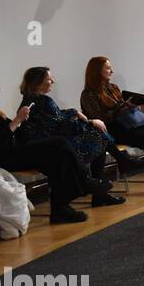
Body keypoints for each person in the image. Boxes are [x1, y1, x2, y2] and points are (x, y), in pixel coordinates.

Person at [0, 71, 95, 223]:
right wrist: (17, 120)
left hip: (13, 150)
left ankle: (60, 209)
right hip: (2, 157)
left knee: (57, 160)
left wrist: (20, 121)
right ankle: (84, 180)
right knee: (60, 143)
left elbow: (6, 130)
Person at [15, 67, 127, 207]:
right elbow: (62, 125)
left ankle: (107, 182)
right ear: (39, 83)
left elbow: (56, 118)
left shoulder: (30, 99)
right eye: (49, 79)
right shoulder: (43, 100)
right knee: (98, 136)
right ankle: (112, 173)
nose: (53, 81)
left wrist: (76, 113)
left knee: (98, 136)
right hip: (52, 148)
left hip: (46, 145)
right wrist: (90, 122)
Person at [81, 56, 144, 190]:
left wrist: (128, 105)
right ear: (96, 71)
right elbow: (99, 118)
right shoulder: (88, 94)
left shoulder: (113, 87)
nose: (112, 71)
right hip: (110, 130)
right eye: (107, 68)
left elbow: (120, 107)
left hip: (127, 125)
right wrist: (120, 108)